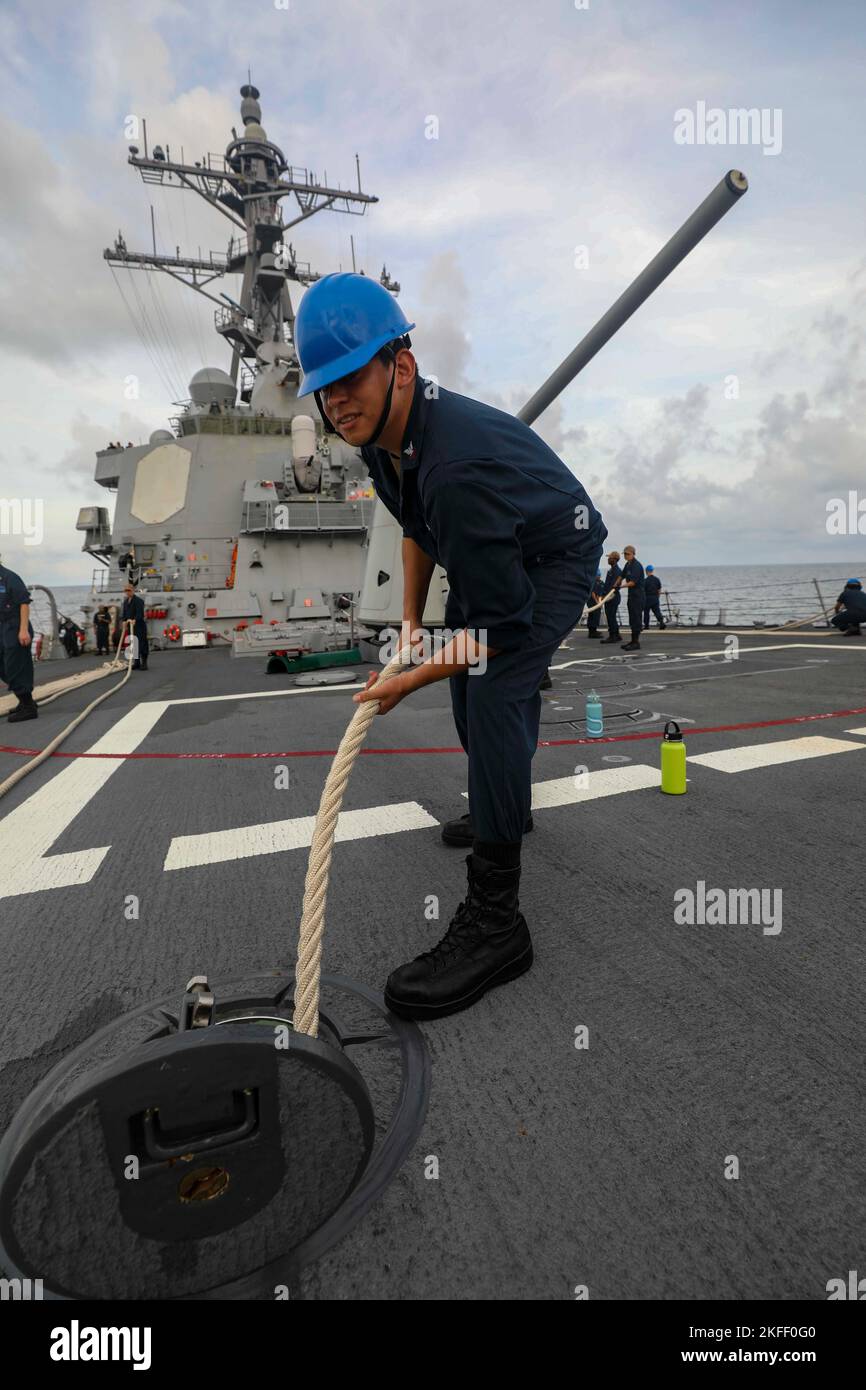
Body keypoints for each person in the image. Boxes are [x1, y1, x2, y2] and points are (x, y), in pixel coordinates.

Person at [295, 272, 607, 1021]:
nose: (336, 402)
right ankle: (509, 805)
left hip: (552, 557)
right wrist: (411, 624)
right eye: (324, 389)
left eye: (349, 378)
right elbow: (416, 530)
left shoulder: (455, 464)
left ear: (400, 366)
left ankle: (498, 924)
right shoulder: (381, 441)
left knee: (495, 685)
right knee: (469, 686)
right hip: (492, 552)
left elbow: (498, 629)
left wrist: (410, 679)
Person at [0, 555, 38, 722]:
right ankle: (24, 699)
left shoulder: (10, 577)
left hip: (15, 626)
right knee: (3, 665)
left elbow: (24, 603)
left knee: (16, 666)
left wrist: (23, 630)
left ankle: (28, 707)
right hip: (2, 627)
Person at [615, 544, 645, 651]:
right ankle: (632, 641)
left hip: (638, 596)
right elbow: (621, 575)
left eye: (628, 554)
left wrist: (620, 586)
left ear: (633, 554)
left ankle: (636, 643)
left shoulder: (637, 566)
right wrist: (616, 583)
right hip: (631, 596)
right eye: (625, 554)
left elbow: (632, 582)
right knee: (632, 618)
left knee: (636, 619)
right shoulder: (628, 565)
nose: (626, 556)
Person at [120, 583, 149, 669]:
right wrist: (124, 621)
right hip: (131, 627)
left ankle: (144, 663)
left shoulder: (139, 601)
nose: (127, 592)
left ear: (133, 590)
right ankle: (136, 662)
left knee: (142, 644)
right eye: (126, 591)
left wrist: (135, 620)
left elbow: (140, 613)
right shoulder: (125, 602)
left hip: (139, 626)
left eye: (129, 590)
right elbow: (124, 614)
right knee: (133, 644)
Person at [600, 550, 622, 643]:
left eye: (610, 558)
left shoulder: (617, 571)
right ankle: (616, 634)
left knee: (611, 616)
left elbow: (614, 586)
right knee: (611, 616)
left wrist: (607, 595)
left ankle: (613, 636)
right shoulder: (612, 570)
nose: (608, 559)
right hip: (609, 596)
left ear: (615, 559)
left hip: (612, 596)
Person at [643, 564, 666, 629]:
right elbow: (659, 590)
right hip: (655, 598)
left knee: (646, 612)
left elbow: (643, 591)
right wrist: (657, 597)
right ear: (652, 571)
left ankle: (646, 626)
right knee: (657, 611)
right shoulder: (657, 579)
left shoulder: (645, 581)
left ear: (646, 571)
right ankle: (661, 622)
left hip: (647, 598)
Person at [587, 570, 604, 638]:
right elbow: (593, 593)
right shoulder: (593, 582)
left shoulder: (601, 582)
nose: (599, 577)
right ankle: (592, 632)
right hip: (592, 602)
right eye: (598, 575)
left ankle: (594, 630)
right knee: (593, 616)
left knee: (595, 616)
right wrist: (597, 602)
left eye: (599, 575)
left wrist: (601, 601)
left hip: (598, 601)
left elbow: (602, 592)